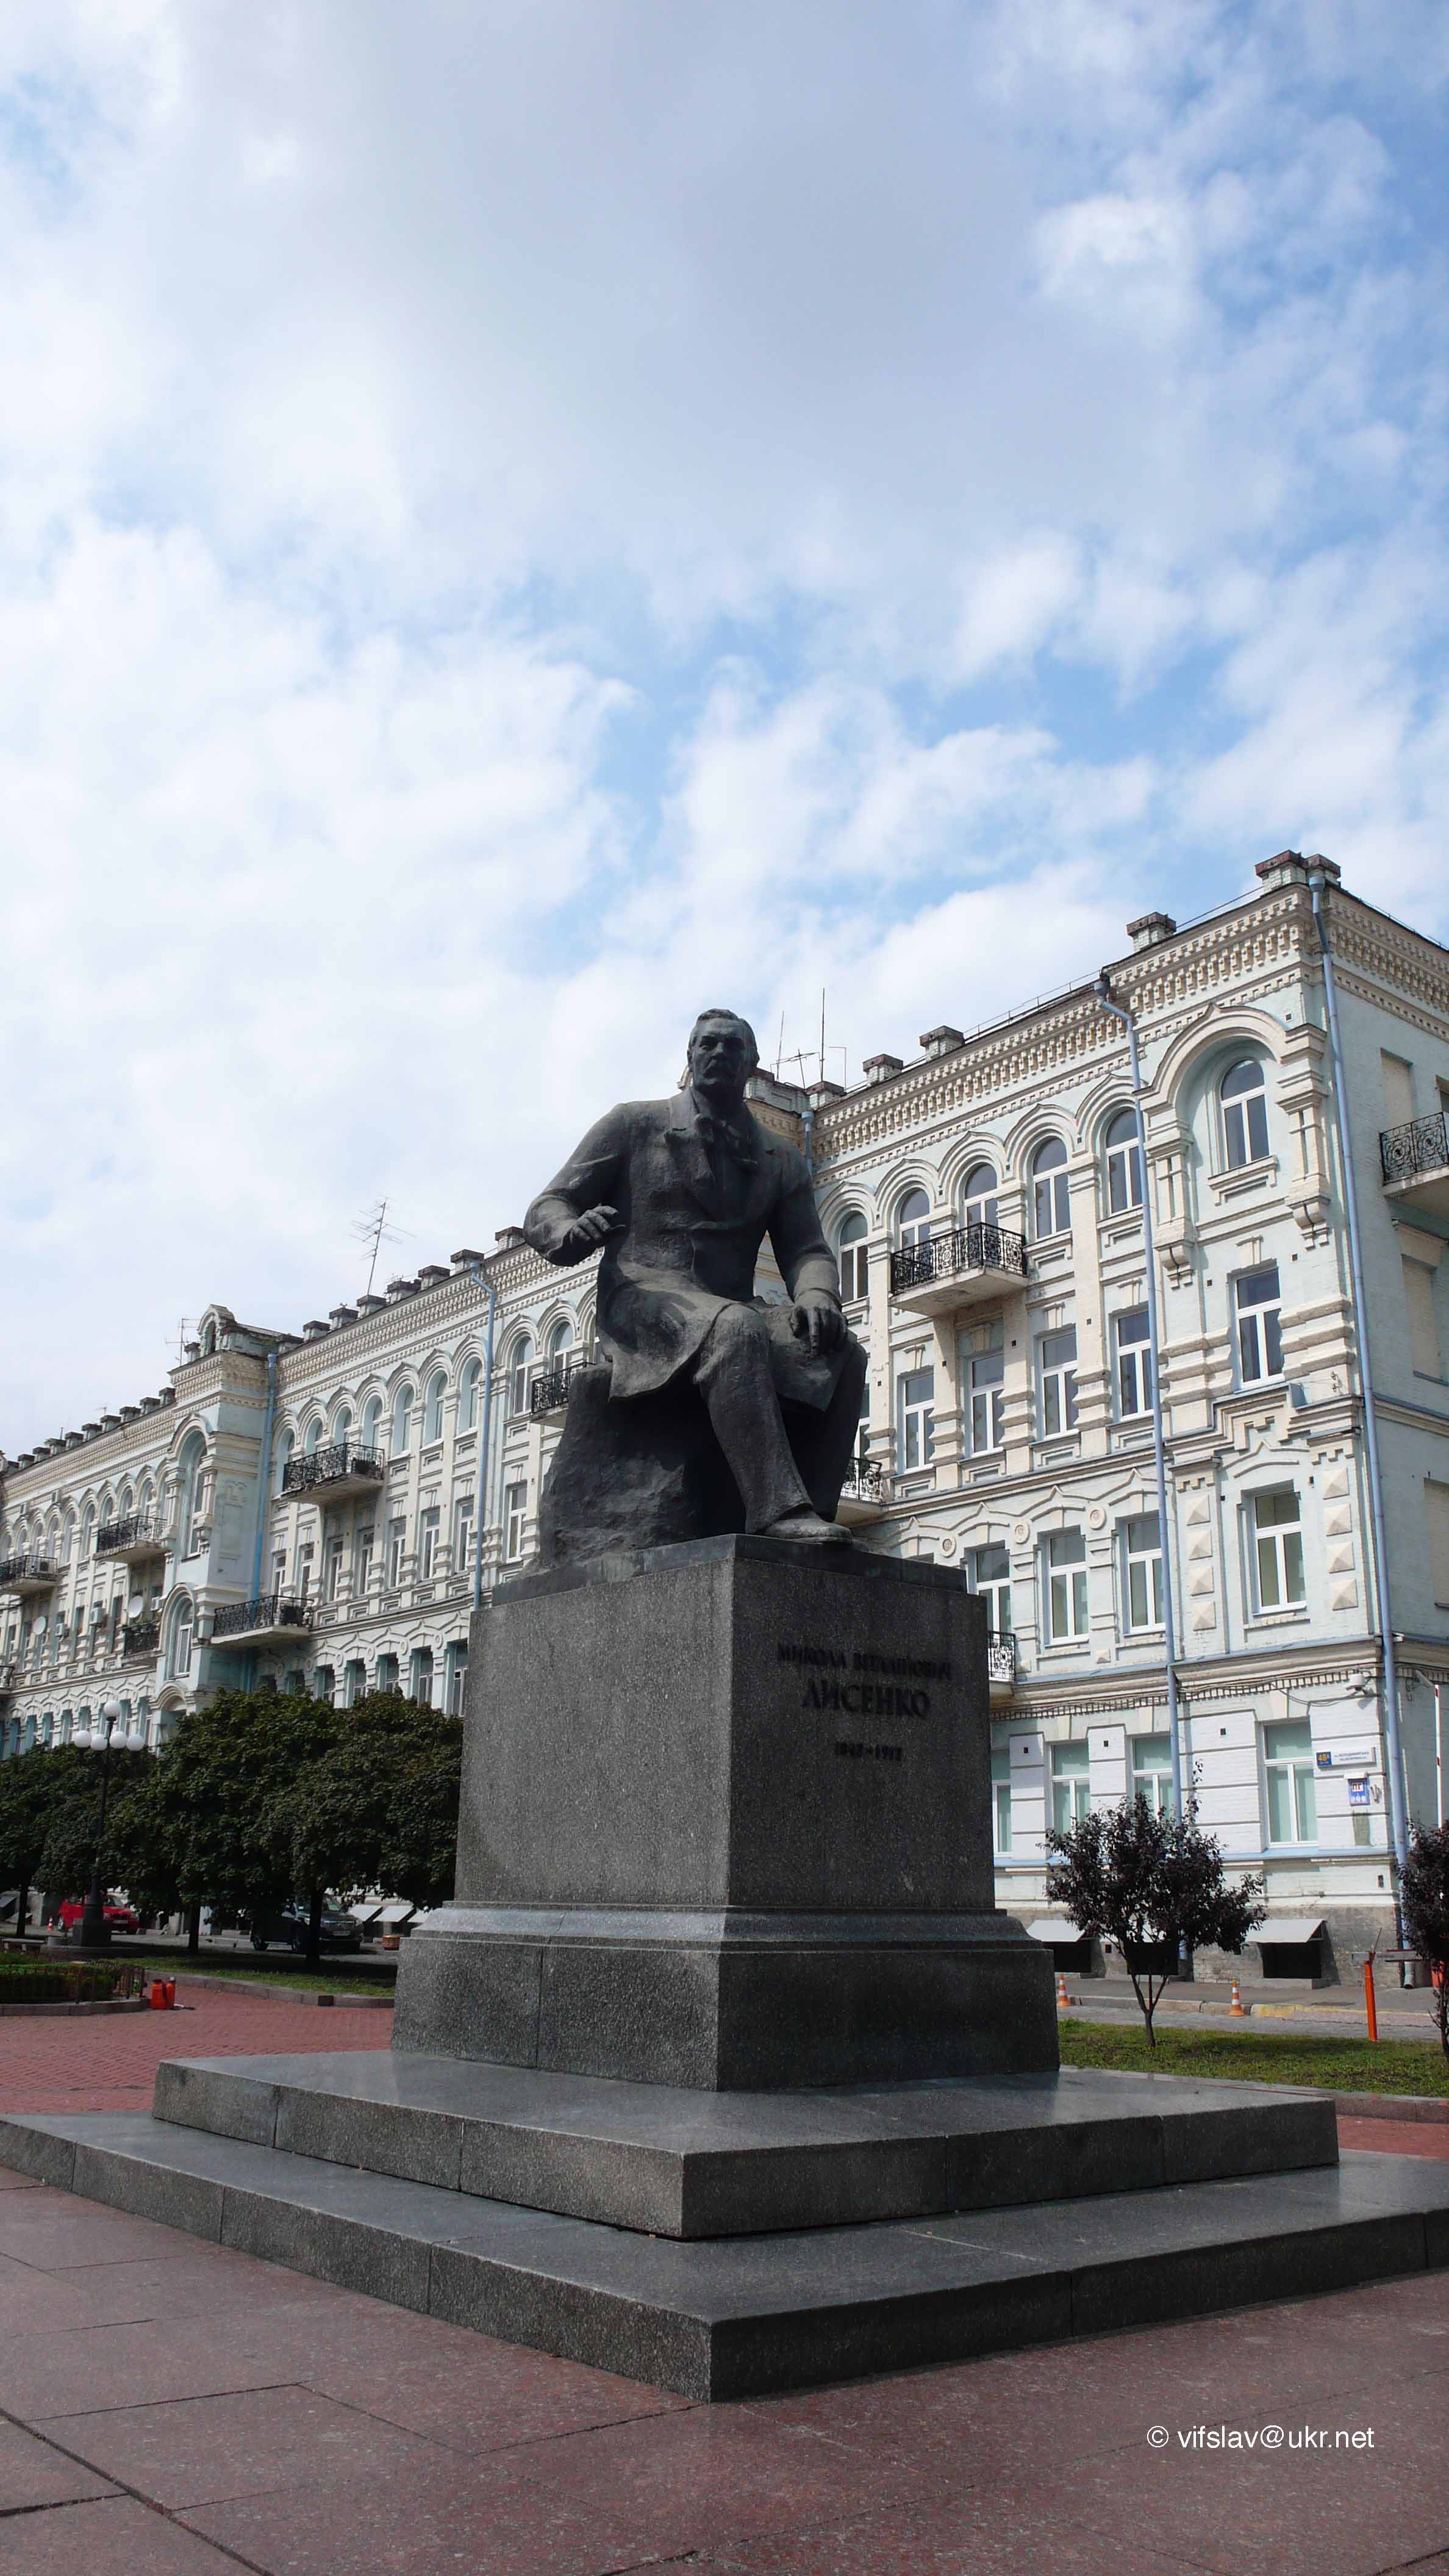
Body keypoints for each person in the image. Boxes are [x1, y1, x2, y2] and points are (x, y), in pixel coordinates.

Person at [524, 1008, 867, 1542]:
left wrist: (817, 1293)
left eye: (733, 1047)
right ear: (689, 1057)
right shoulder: (634, 1124)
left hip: (727, 1303)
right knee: (735, 1329)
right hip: (643, 1299)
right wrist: (571, 1233)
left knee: (840, 1349)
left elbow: (807, 1249)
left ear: (752, 1064)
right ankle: (775, 1512)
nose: (719, 1054)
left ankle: (814, 1514)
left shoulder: (780, 1158)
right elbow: (548, 1205)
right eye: (707, 1044)